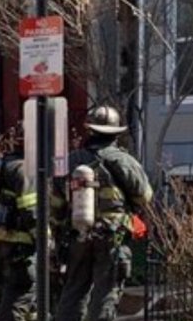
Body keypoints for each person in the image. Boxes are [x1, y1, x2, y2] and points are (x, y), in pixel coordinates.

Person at [53, 106, 152, 321]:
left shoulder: (70, 160)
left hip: (77, 235)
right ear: (117, 133)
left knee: (74, 290)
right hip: (112, 238)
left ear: (89, 130)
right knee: (105, 292)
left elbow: (56, 202)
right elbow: (145, 196)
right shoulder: (124, 161)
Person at [0, 144, 37, 321]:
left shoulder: (7, 163)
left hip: (6, 243)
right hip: (21, 246)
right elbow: (31, 210)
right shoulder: (24, 170)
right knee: (20, 296)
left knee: (30, 298)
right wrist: (46, 240)